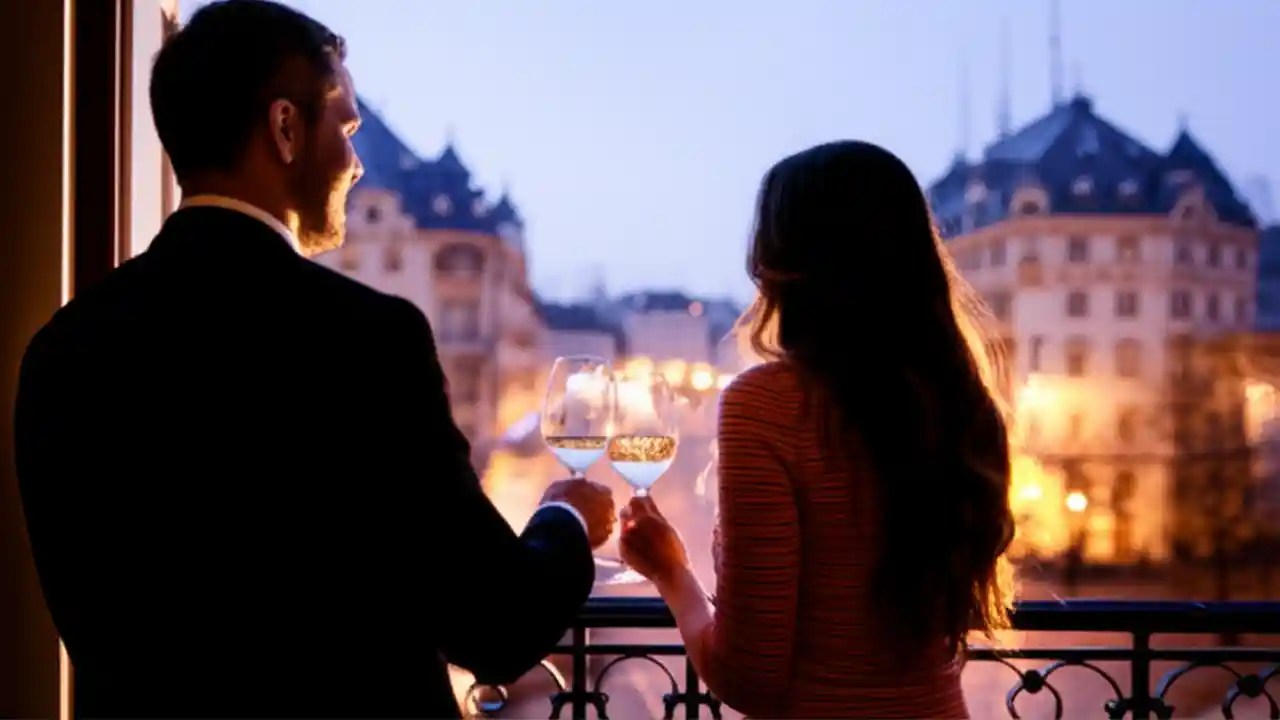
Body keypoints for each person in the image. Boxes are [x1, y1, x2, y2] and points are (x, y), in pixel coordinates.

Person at [14, 2, 613, 717]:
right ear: (286, 129)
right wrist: (565, 518)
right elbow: (495, 623)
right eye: (348, 128)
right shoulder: (367, 341)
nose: (357, 165)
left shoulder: (63, 348)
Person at [620, 140, 1016, 719]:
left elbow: (749, 678)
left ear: (781, 264)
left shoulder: (767, 405)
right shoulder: (961, 402)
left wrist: (670, 571)